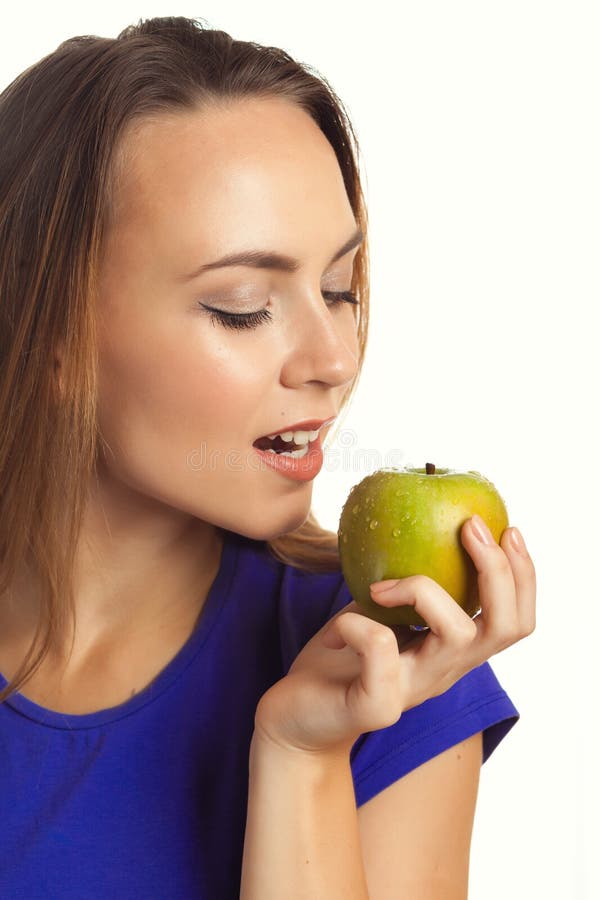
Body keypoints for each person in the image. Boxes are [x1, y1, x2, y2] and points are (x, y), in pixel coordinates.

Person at [0, 15, 536, 900]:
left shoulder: (397, 659)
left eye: (338, 289)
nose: (332, 361)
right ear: (53, 336)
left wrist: (303, 754)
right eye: (244, 307)